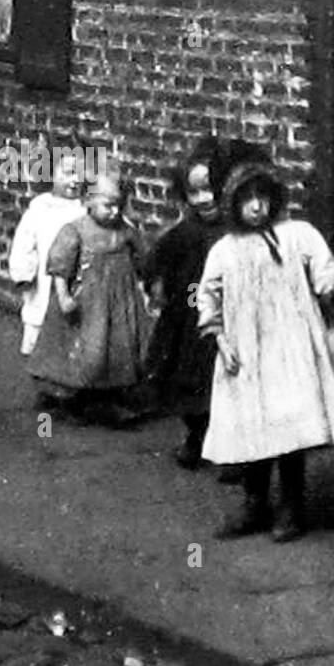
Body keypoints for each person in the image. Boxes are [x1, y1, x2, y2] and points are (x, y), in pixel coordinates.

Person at [198, 162, 334, 543]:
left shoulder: (297, 235)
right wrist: (219, 337)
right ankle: (255, 504)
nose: (256, 207)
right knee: (253, 427)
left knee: (289, 430)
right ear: (232, 205)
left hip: (290, 346)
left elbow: (324, 273)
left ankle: (292, 508)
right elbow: (208, 294)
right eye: (246, 200)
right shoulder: (224, 250)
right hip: (247, 350)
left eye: (261, 198)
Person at [26, 168, 148, 427]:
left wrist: (146, 287)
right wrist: (63, 297)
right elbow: (60, 267)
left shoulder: (125, 231)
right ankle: (70, 400)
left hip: (118, 302)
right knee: (87, 350)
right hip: (86, 304)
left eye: (118, 206)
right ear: (88, 202)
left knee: (117, 349)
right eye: (107, 206)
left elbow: (142, 258)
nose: (114, 212)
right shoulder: (75, 231)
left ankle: (108, 398)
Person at [143, 136, 229, 469]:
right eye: (194, 192)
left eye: (210, 188)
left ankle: (230, 449)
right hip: (187, 318)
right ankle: (196, 436)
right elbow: (157, 261)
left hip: (225, 316)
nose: (203, 199)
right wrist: (157, 283)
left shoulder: (233, 233)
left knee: (224, 383)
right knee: (189, 382)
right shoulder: (184, 232)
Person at [8, 139, 86, 362]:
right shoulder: (40, 209)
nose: (75, 180)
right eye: (68, 173)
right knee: (39, 335)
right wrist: (24, 274)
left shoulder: (85, 210)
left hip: (73, 286)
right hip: (43, 285)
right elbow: (24, 244)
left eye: (80, 173)